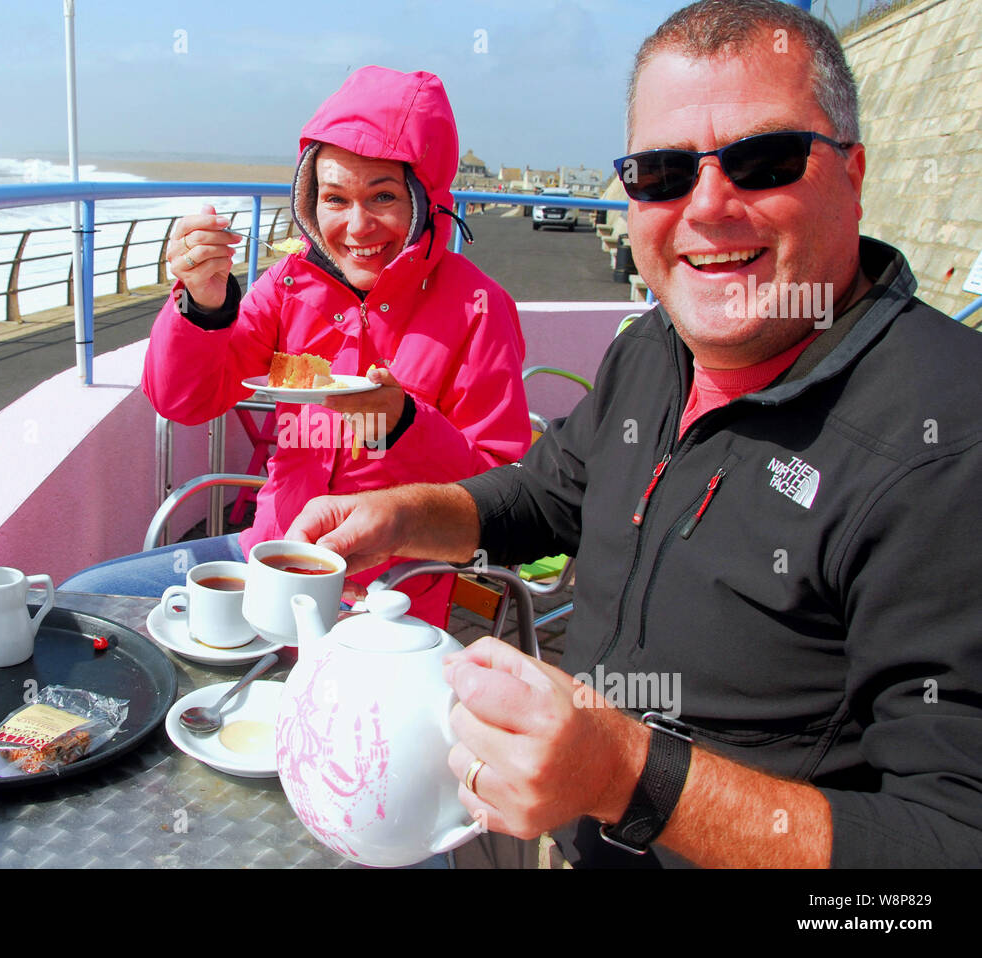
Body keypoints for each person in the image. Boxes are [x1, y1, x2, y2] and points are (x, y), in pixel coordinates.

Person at [288, 0, 982, 868]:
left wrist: (628, 776)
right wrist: (401, 515)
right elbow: (550, 492)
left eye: (764, 160)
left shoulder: (948, 445)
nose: (709, 206)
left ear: (853, 174)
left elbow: (950, 843)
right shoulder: (659, 346)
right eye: (662, 172)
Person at [61, 66, 531, 626]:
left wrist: (403, 423)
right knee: (80, 603)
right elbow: (184, 401)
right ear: (310, 202)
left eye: (383, 196)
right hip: (271, 554)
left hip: (390, 595)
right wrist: (203, 306)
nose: (357, 227)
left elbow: (500, 493)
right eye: (334, 199)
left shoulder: (477, 306)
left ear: (425, 200)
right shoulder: (287, 284)